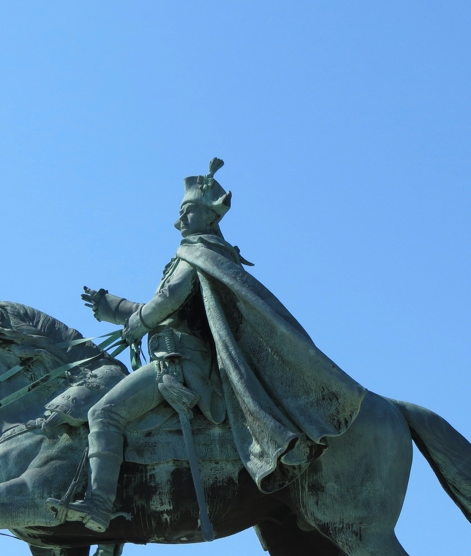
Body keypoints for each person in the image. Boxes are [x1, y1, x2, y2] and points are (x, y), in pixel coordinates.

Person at [48, 159, 367, 534]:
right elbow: (165, 310)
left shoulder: (200, 253)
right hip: (172, 356)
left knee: (104, 413)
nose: (178, 222)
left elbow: (165, 302)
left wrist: (136, 324)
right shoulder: (194, 255)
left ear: (209, 216)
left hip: (182, 364)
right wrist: (111, 307)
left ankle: (99, 504)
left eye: (186, 212)